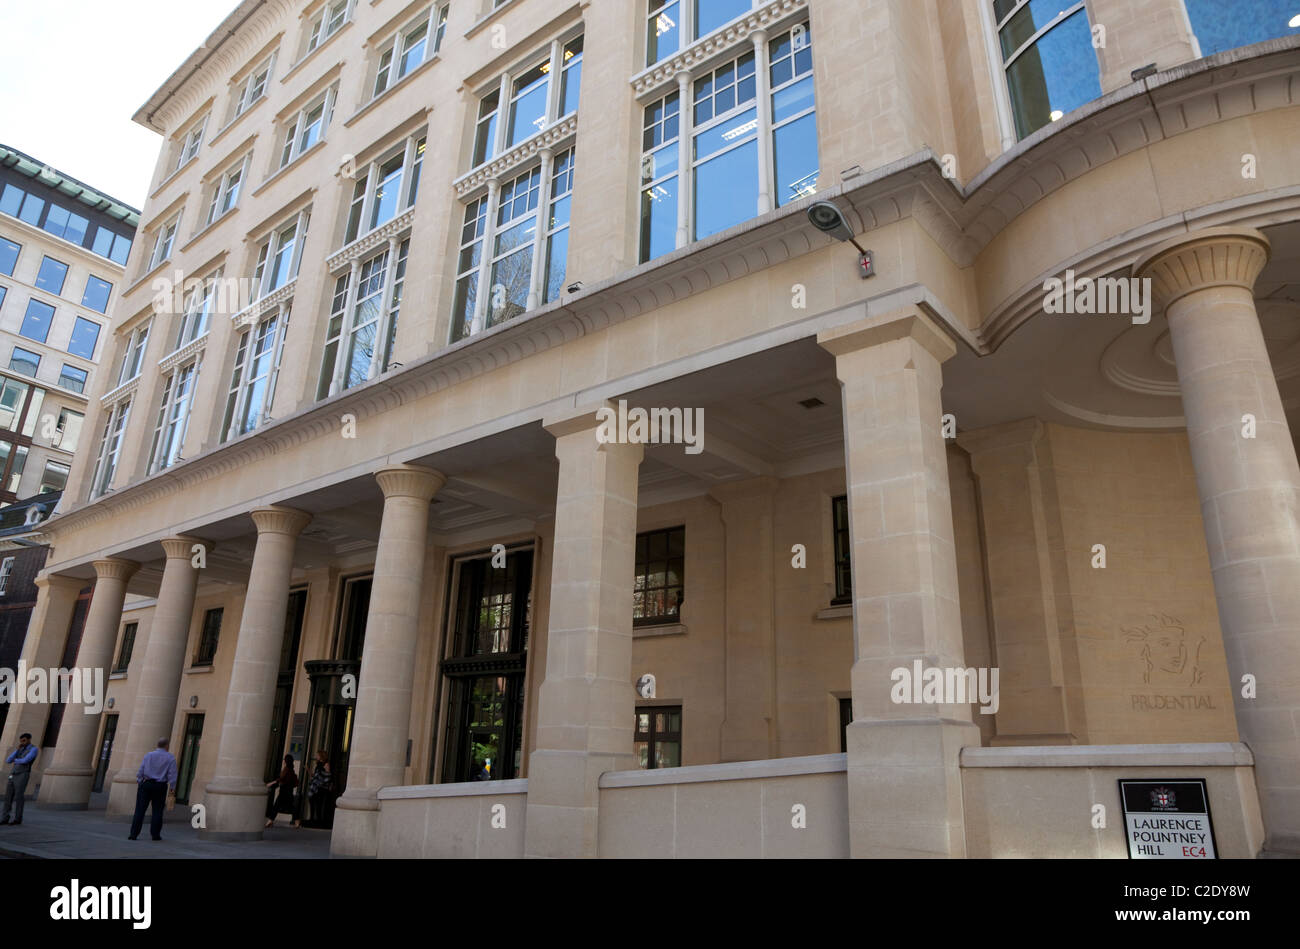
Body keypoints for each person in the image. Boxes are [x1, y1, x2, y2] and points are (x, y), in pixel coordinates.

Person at [129, 738, 177, 841]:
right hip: (160, 786)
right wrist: (172, 788)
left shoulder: (148, 755)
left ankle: (133, 834)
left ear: (157, 745)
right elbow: (172, 775)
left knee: (140, 810)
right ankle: (155, 835)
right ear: (167, 746)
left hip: (146, 784)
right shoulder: (170, 758)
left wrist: (140, 780)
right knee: (157, 811)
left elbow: (141, 769)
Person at [0, 733, 37, 825]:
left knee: (19, 797)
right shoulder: (19, 748)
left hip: (23, 774)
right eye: (21, 741)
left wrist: (15, 760)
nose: (22, 742)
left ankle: (17, 818)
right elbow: (8, 760)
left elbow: (26, 760)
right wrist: (16, 751)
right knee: (8, 797)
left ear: (29, 740)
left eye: (24, 740)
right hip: (13, 773)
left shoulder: (33, 749)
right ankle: (5, 818)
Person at [295, 750, 331, 828]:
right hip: (314, 788)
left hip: (321, 789)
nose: (316, 757)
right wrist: (307, 769)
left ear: (321, 756)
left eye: (317, 755)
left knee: (318, 805)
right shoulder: (318, 765)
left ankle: (317, 822)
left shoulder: (326, 764)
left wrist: (319, 783)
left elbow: (328, 777)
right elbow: (314, 776)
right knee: (312, 804)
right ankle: (312, 820)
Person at [265, 753, 298, 828]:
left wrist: (271, 783)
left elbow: (281, 779)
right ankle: (297, 821)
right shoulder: (291, 769)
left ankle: (270, 821)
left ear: (286, 761)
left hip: (284, 791)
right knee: (290, 807)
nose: (283, 761)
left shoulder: (287, 769)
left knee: (276, 806)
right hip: (288, 791)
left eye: (284, 759)